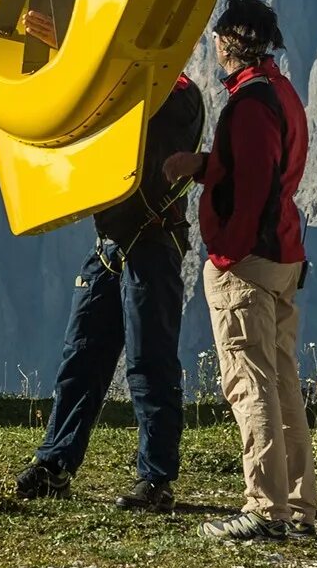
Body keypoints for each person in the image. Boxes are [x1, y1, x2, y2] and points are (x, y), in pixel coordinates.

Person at [14, 72, 205, 514]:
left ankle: (156, 478)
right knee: (81, 355)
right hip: (110, 245)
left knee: (149, 362)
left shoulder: (180, 97)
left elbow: (157, 164)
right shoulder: (115, 85)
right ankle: (55, 463)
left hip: (152, 246)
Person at [165, 0, 313, 542]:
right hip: (283, 256)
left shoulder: (249, 105)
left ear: (232, 43)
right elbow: (262, 171)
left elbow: (251, 187)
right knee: (281, 382)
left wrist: (225, 253)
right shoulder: (280, 95)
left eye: (219, 38)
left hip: (249, 263)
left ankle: (264, 509)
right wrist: (202, 166)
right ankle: (297, 508)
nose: (214, 47)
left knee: (249, 384)